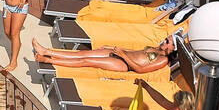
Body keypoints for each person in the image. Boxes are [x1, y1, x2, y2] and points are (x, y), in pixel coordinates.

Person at [30, 37, 174, 73]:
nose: (164, 41)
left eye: (168, 41)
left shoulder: (163, 60)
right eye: (166, 39)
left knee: (86, 60)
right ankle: (46, 51)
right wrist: (111, 47)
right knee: (82, 53)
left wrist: (122, 55)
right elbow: (133, 51)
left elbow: (140, 69)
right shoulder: (156, 48)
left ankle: (48, 61)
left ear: (173, 48)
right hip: (121, 54)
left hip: (124, 64)